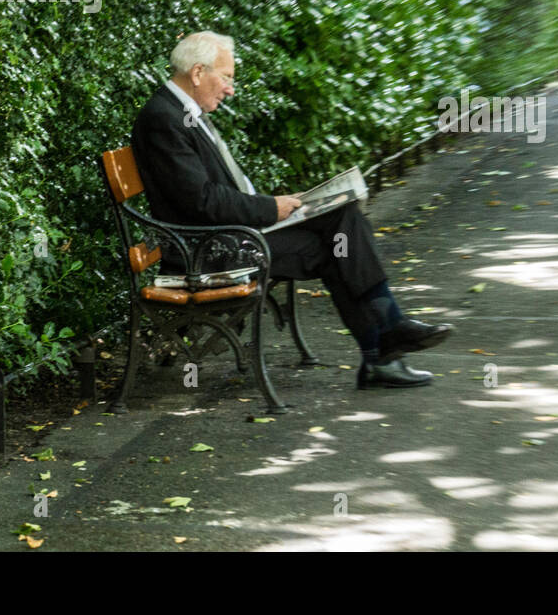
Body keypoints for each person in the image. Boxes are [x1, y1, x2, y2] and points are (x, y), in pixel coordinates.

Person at [130, 31, 451, 387]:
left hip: (228, 236)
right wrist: (271, 208)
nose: (230, 89)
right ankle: (385, 346)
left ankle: (387, 341)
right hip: (208, 252)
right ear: (197, 73)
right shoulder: (164, 118)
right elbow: (202, 201)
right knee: (336, 245)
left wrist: (291, 205)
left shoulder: (181, 112)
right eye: (227, 77)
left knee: (343, 218)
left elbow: (210, 195)